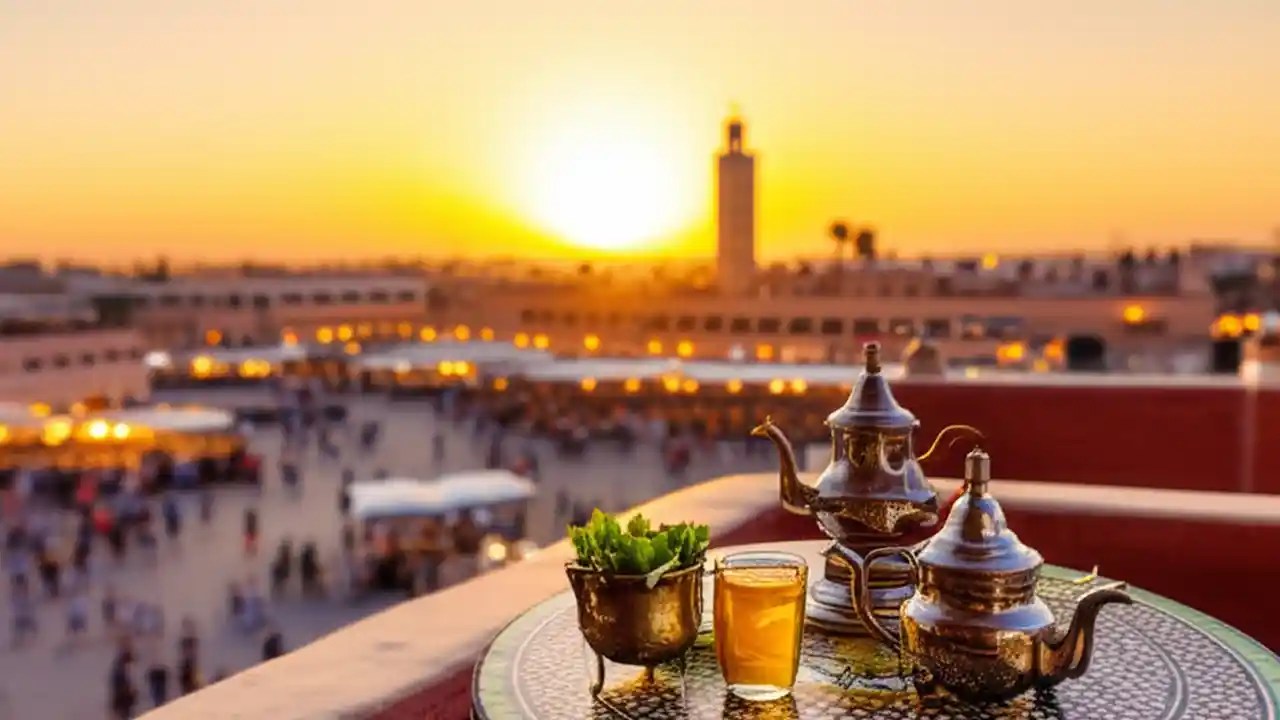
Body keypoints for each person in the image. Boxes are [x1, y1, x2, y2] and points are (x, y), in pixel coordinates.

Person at [109, 642, 138, 720]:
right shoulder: (121, 669)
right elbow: (121, 686)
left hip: (122, 699)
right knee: (124, 715)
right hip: (123, 699)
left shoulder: (119, 668)